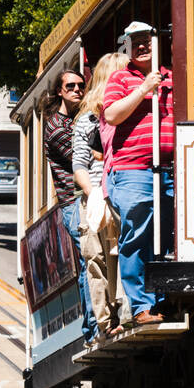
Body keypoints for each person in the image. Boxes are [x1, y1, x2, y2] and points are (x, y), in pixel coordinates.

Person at [101, 22, 194, 326]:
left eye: (147, 41)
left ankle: (167, 301)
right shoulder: (121, 78)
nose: (142, 47)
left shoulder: (174, 78)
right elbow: (112, 114)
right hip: (134, 170)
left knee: (172, 237)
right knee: (138, 235)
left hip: (174, 169)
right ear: (127, 47)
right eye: (135, 42)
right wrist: (144, 89)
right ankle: (141, 307)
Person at [73, 52, 132, 340]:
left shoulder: (131, 111)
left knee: (122, 254)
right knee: (97, 258)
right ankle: (105, 322)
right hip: (98, 196)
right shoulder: (88, 120)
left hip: (122, 188)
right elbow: (79, 166)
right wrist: (94, 194)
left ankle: (125, 312)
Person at [42, 69, 97, 345]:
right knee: (90, 261)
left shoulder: (77, 121)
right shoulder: (56, 127)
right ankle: (93, 328)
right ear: (60, 92)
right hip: (73, 204)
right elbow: (83, 158)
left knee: (93, 260)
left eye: (81, 85)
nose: (77, 90)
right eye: (71, 86)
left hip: (82, 201)